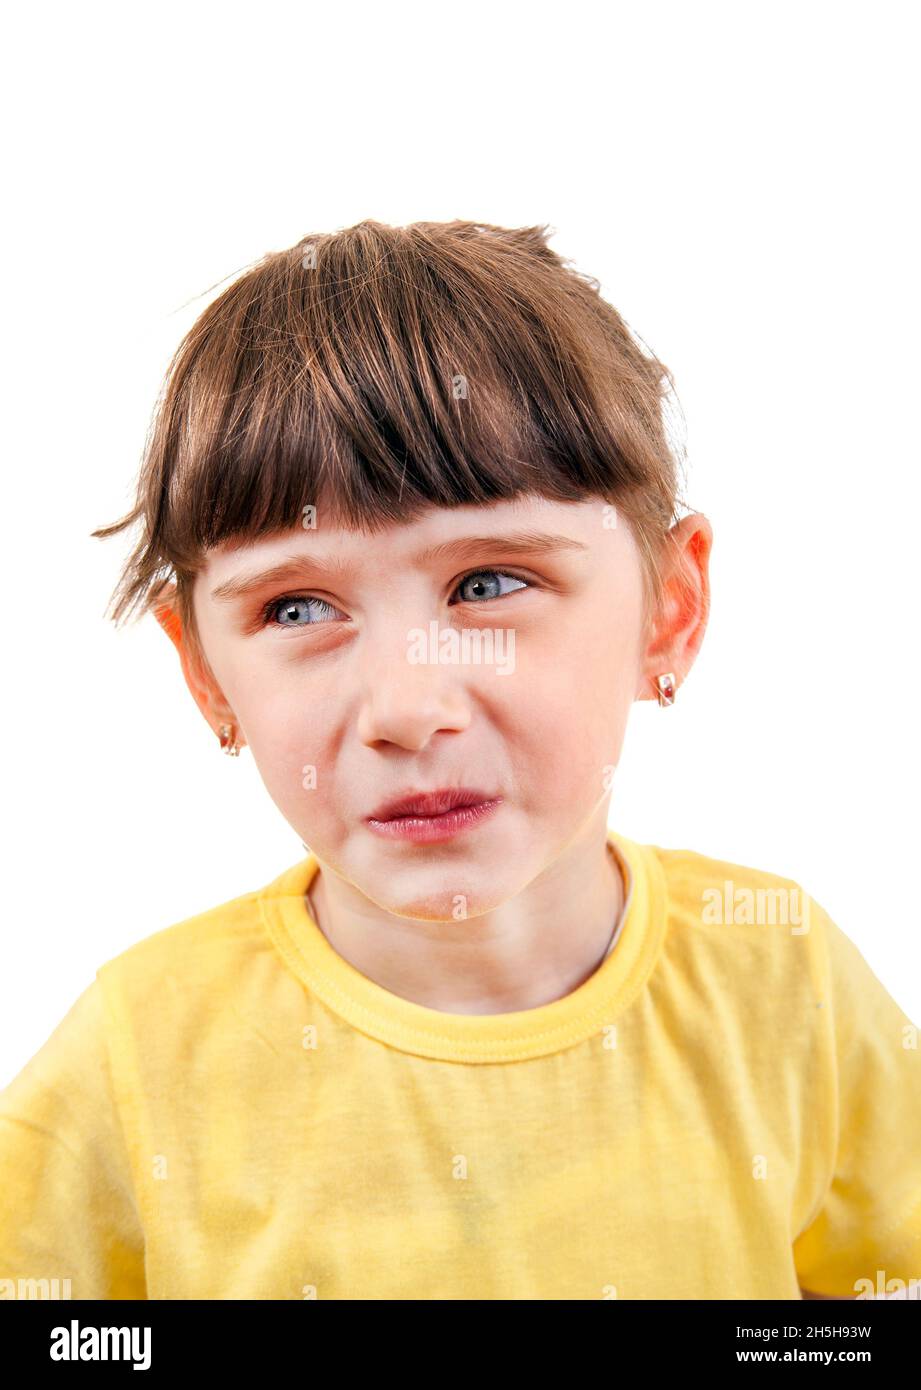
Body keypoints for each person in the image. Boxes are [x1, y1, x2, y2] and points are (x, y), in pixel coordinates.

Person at [1, 220, 918, 1301]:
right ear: (205, 673)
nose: (406, 706)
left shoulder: (786, 981)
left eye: (487, 584)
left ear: (670, 607)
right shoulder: (136, 1059)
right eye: (298, 606)